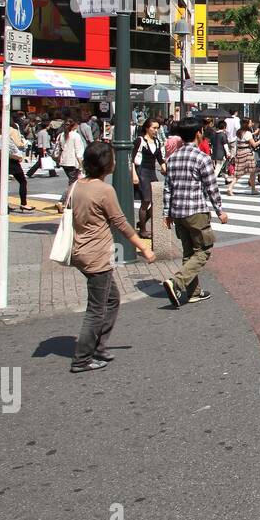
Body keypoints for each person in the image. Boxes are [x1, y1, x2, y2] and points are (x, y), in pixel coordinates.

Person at [68, 141, 156, 372]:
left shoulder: (78, 185)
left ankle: (98, 346)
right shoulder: (104, 190)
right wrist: (143, 248)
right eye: (113, 158)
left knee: (111, 299)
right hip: (96, 254)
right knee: (97, 308)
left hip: (80, 250)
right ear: (107, 164)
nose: (116, 162)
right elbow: (121, 223)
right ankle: (83, 358)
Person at [161, 119, 229, 307]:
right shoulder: (201, 157)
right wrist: (220, 211)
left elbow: (167, 188)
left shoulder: (172, 158)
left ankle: (194, 293)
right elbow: (211, 187)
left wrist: (166, 212)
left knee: (188, 251)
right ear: (199, 133)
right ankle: (177, 282)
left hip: (177, 212)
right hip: (196, 211)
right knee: (204, 250)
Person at [132, 118, 165, 239]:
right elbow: (132, 158)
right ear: (147, 128)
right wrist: (134, 174)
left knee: (155, 201)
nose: (156, 130)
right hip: (142, 171)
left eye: (157, 128)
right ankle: (143, 230)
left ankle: (142, 223)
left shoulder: (157, 141)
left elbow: (160, 158)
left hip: (152, 172)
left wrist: (164, 167)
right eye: (154, 128)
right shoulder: (140, 141)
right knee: (146, 200)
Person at [230, 118, 260, 195]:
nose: (251, 124)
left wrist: (253, 134)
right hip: (247, 154)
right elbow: (254, 144)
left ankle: (230, 187)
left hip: (239, 153)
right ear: (247, 124)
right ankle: (253, 189)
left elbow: (245, 137)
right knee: (252, 171)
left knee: (238, 172)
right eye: (250, 123)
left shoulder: (239, 132)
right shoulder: (248, 133)